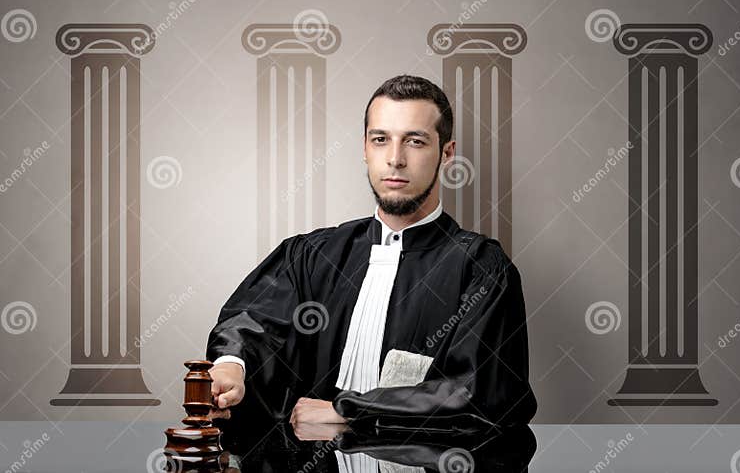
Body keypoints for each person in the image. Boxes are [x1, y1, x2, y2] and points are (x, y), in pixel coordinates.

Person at [205, 74, 536, 430]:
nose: (395, 159)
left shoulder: (479, 269)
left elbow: (483, 393)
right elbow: (254, 323)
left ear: (447, 153)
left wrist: (348, 410)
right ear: (365, 148)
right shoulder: (312, 255)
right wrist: (231, 367)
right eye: (381, 140)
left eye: (415, 141)